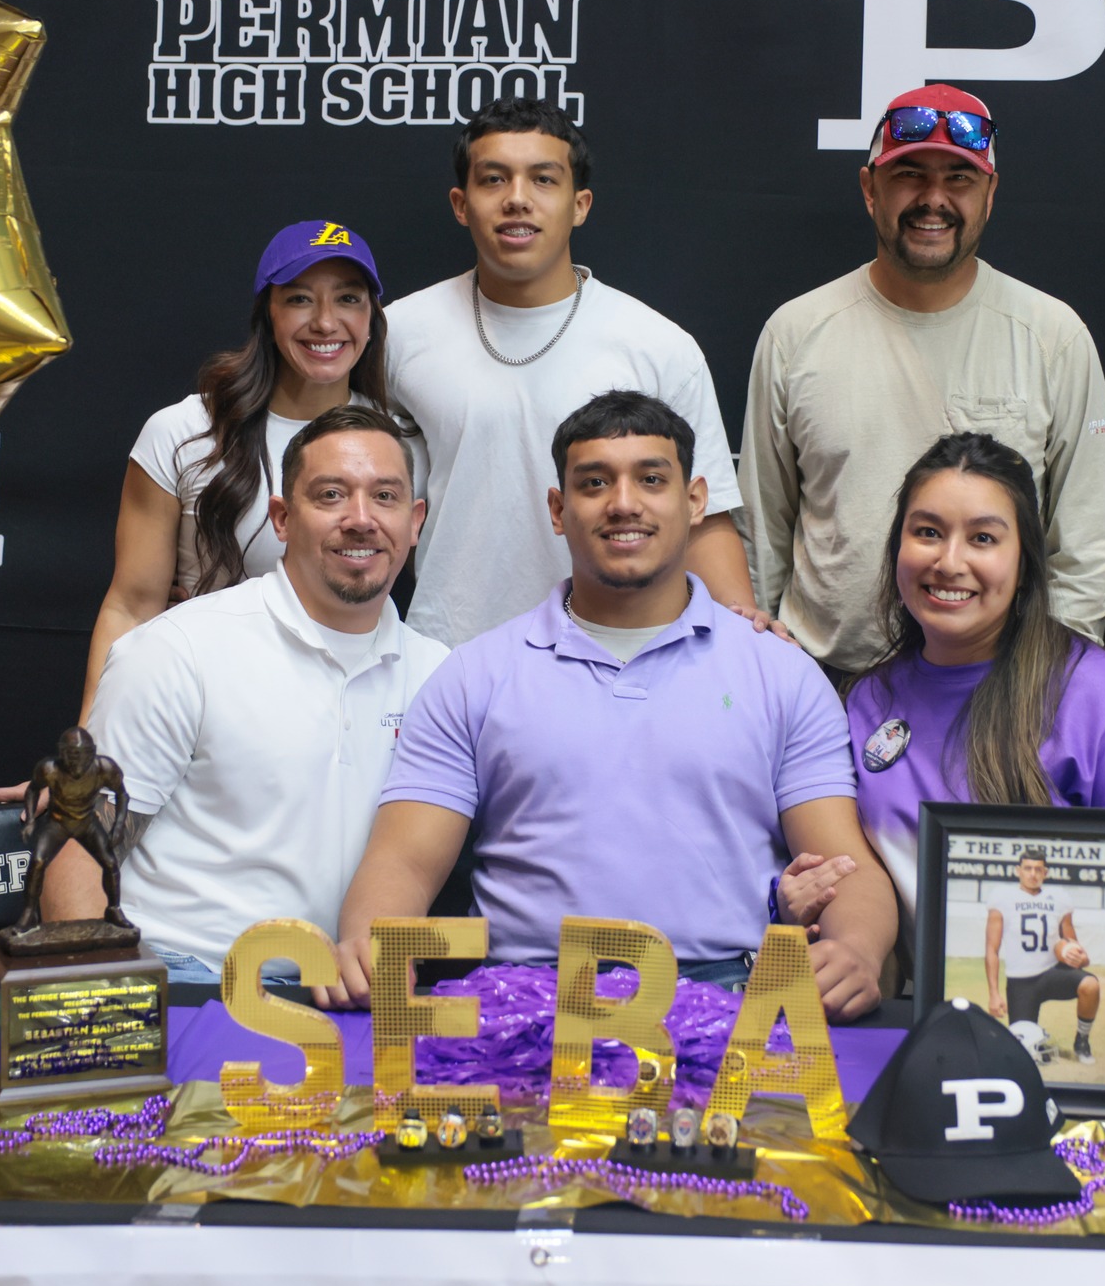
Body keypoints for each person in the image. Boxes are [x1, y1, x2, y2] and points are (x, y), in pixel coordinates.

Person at [316, 391, 896, 1020]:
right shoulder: (474, 676)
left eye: (651, 479)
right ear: (559, 509)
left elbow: (846, 866)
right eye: (595, 483)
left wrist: (856, 951)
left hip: (728, 1002)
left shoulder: (781, 674)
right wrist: (369, 946)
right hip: (521, 1001)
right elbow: (402, 859)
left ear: (695, 500)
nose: (624, 503)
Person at [36, 406, 449, 981]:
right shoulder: (181, 648)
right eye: (331, 495)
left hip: (341, 992)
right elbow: (80, 844)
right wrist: (99, 1010)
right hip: (180, 974)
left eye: (385, 497)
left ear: (415, 520)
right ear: (282, 517)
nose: (361, 519)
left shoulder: (443, 679)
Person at [784, 432, 1105, 971]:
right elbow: (860, 884)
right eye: (927, 532)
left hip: (1058, 1021)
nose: (949, 560)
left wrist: (1042, 983)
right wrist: (806, 903)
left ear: (1025, 564)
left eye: (983, 539)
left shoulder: (1101, 696)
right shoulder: (868, 701)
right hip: (921, 1028)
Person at [738, 83, 1105, 677]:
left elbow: (1084, 547)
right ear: (871, 189)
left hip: (998, 687)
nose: (934, 199)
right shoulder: (796, 332)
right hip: (823, 682)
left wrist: (1051, 690)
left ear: (990, 194)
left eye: (960, 179)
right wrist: (760, 671)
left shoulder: (1053, 336)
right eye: (910, 175)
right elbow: (760, 533)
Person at [385, 99, 756, 647]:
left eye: (543, 179)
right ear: (461, 204)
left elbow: (704, 518)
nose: (517, 199)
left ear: (579, 204)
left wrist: (743, 643)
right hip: (448, 651)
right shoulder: (398, 334)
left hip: (617, 654)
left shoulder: (658, 346)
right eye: (494, 179)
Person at [85, 220, 404, 719]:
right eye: (299, 299)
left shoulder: (397, 444)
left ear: (372, 317)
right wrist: (90, 756)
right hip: (200, 706)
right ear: (268, 314)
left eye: (348, 299)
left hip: (350, 708)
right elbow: (130, 606)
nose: (325, 322)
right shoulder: (184, 431)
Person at [985, 848, 1100, 1061]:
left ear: (1045, 873)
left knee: (1090, 985)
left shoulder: (1058, 898)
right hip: (1021, 981)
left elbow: (1074, 945)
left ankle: (1082, 1041)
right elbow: (992, 949)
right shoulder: (1002, 898)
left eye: (1038, 869)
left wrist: (1081, 958)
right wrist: (994, 993)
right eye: (1027, 868)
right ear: (1018, 871)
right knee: (1024, 1052)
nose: (1033, 874)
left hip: (1052, 972)